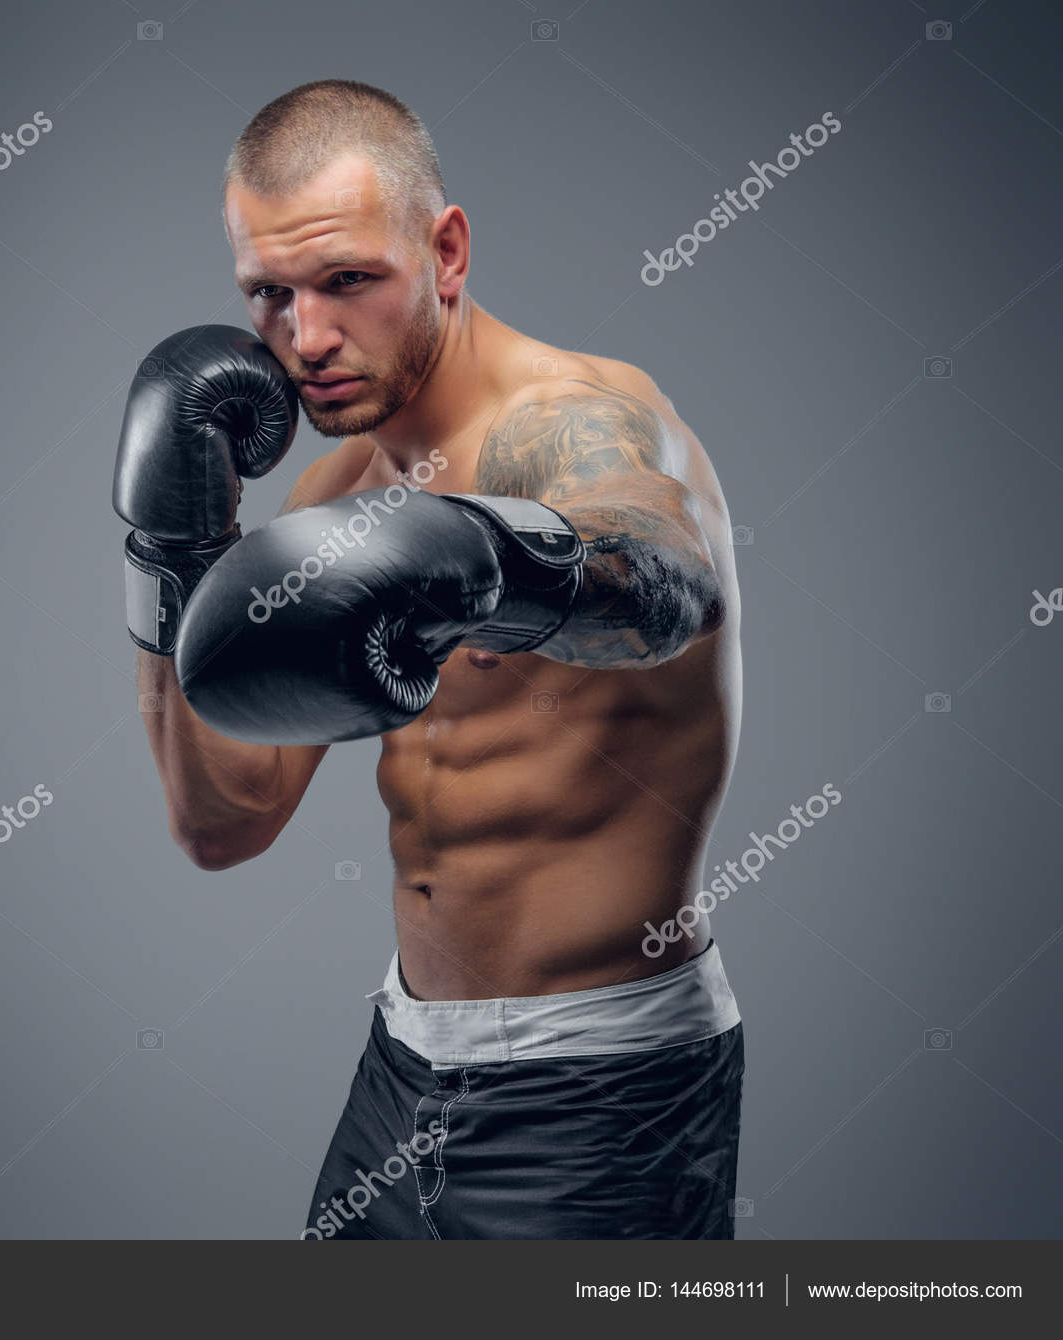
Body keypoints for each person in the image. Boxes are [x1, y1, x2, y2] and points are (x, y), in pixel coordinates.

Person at [112, 79, 744, 1240]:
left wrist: (487, 557)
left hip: (600, 1094)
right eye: (270, 295)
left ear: (444, 250)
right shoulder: (333, 494)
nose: (304, 339)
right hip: (403, 1069)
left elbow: (669, 588)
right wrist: (170, 563)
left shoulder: (581, 416)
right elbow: (223, 820)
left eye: (348, 280)